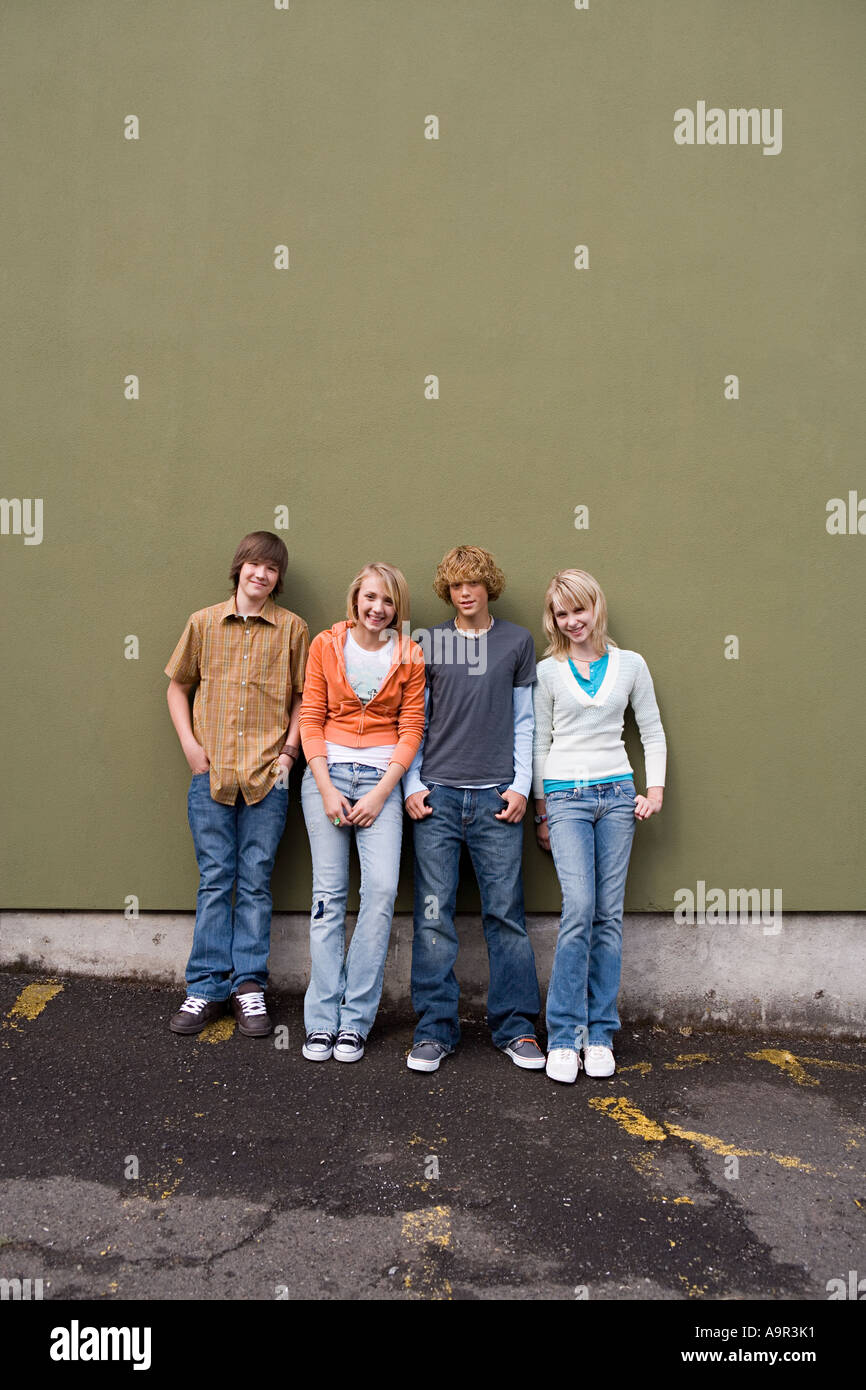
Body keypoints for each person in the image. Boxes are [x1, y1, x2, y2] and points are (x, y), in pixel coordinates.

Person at [404, 545, 544, 1073]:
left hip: (497, 800)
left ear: (489, 586)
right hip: (437, 797)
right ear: (448, 591)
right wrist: (412, 786)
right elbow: (415, 720)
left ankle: (516, 1029)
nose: (466, 592)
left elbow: (526, 721)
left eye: (475, 583)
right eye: (457, 585)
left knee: (505, 914)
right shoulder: (429, 644)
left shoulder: (517, 642)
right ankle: (435, 1030)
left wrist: (522, 787)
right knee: (434, 917)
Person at [165, 532, 309, 1037]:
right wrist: (190, 746)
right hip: (212, 776)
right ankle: (204, 988)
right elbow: (178, 686)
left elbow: (301, 698)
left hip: (268, 778)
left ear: (278, 579)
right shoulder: (203, 622)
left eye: (271, 569)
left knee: (254, 883)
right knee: (215, 880)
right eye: (254, 564)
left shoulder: (292, 628)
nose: (261, 575)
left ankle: (249, 987)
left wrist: (289, 754)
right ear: (239, 568)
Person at [532, 569, 666, 1082]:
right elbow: (540, 744)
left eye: (578, 611)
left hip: (616, 797)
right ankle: (564, 1034)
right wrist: (542, 813)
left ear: (596, 607)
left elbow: (651, 731)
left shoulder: (630, 664)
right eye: (561, 615)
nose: (572, 622)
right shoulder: (547, 672)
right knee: (580, 908)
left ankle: (601, 1032)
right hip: (565, 797)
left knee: (609, 914)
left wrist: (653, 790)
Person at [298, 563, 425, 1063]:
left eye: (388, 601)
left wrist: (380, 794)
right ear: (355, 600)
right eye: (370, 597)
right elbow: (311, 717)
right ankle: (320, 1020)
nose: (378, 608)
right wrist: (327, 788)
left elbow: (412, 728)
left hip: (381, 782)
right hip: (325, 777)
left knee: (381, 891)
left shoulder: (409, 654)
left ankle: (354, 1021)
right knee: (328, 895)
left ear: (398, 608)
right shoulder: (326, 646)